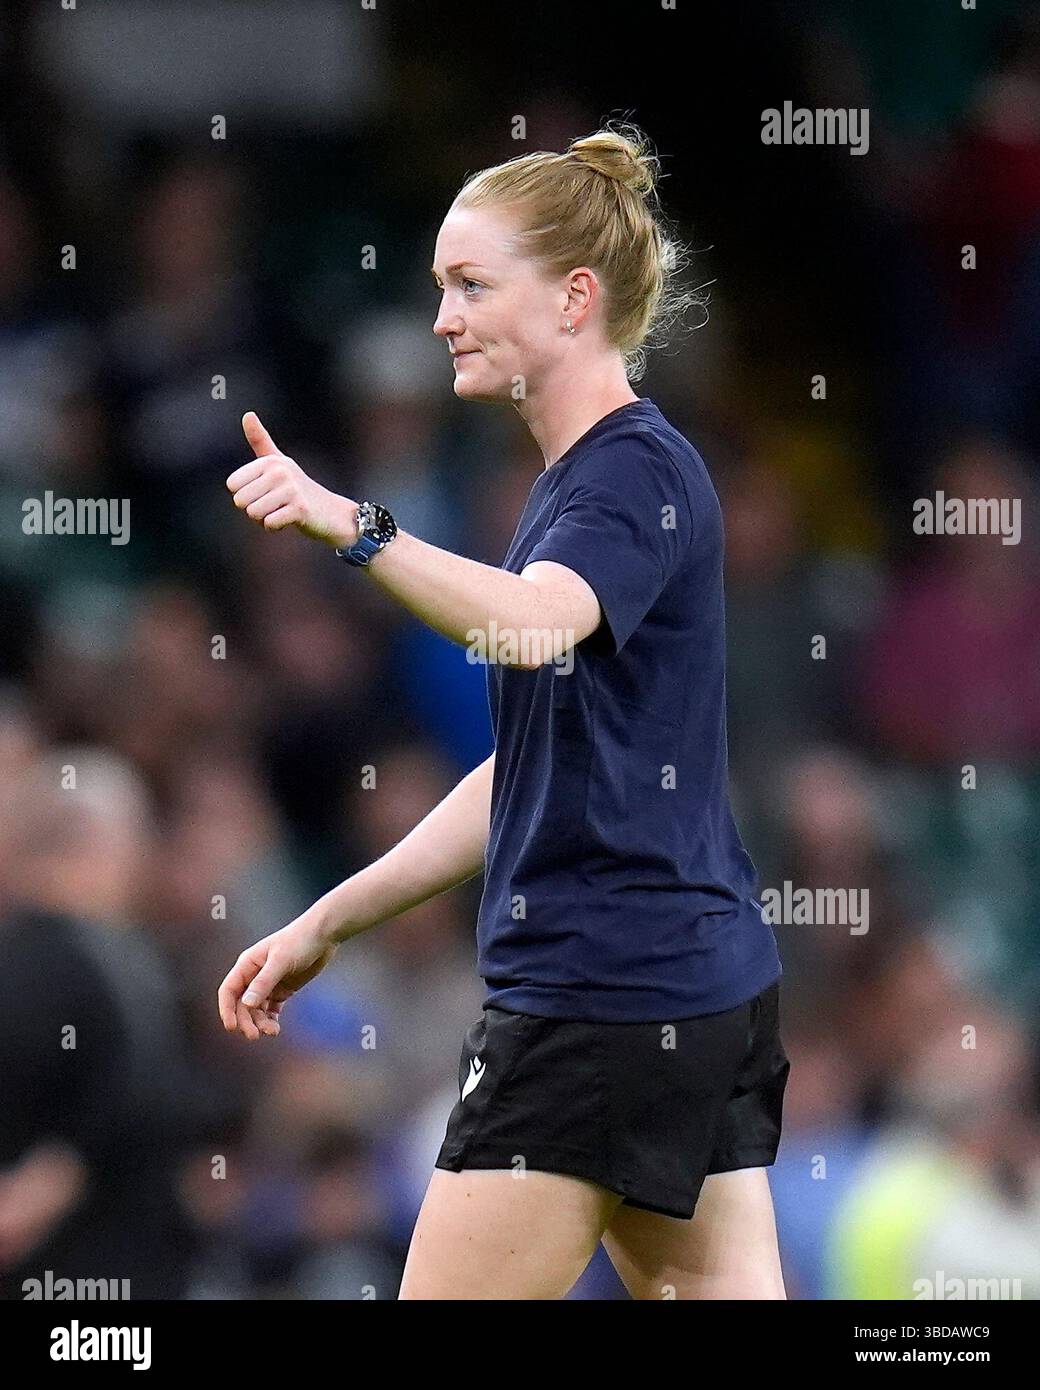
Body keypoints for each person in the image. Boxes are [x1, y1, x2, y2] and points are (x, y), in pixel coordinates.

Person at [218, 122, 790, 1300]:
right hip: (693, 996)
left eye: (470, 284)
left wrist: (354, 525)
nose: (442, 318)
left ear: (575, 297)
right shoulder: (580, 483)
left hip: (593, 1008)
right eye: (441, 288)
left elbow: (529, 624)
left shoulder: (629, 473)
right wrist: (330, 919)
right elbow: (530, 770)